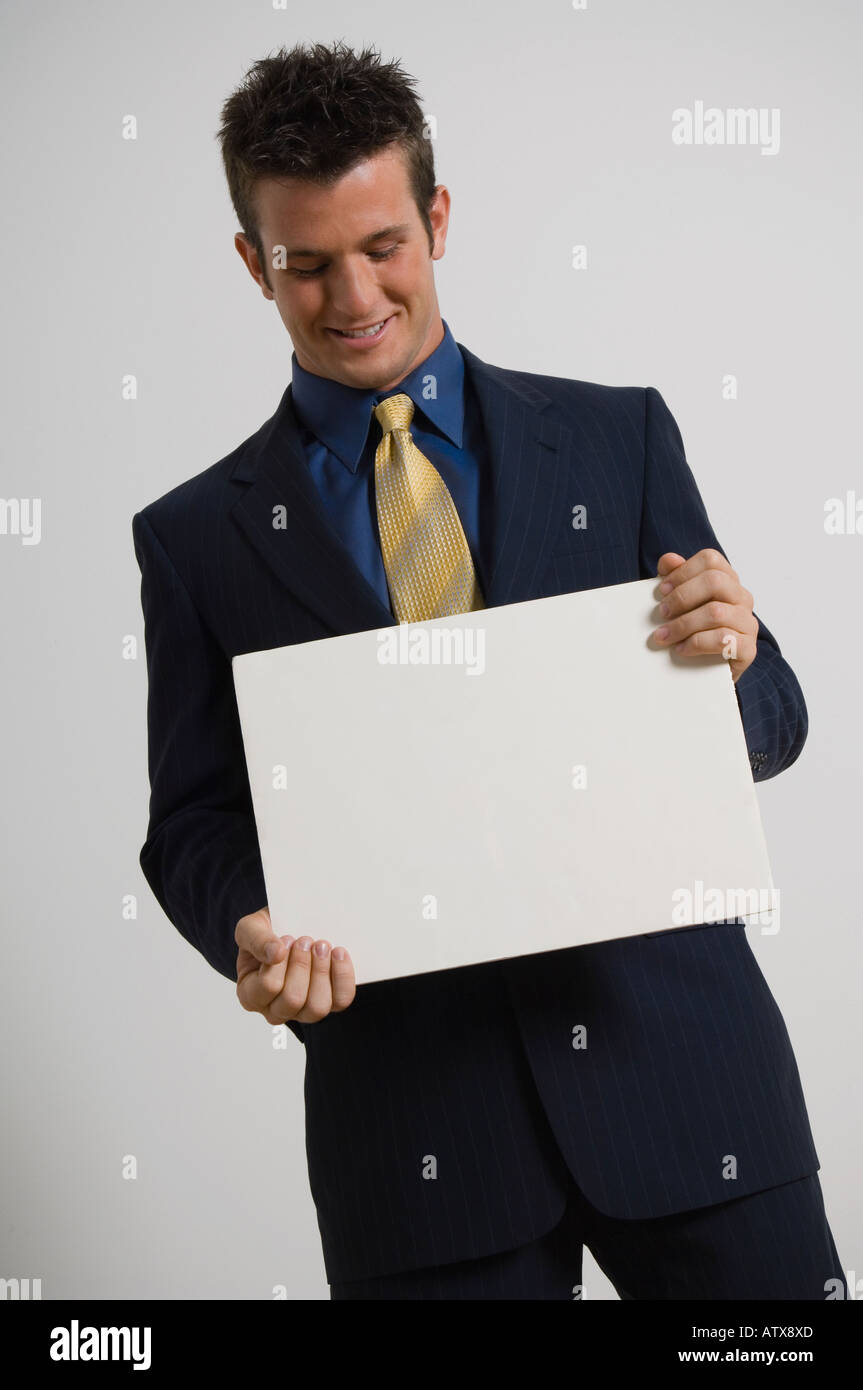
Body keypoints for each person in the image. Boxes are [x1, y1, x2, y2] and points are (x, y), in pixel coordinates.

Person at [132, 40, 842, 1300]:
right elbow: (189, 820)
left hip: (688, 1081)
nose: (353, 294)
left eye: (383, 245)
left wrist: (733, 655)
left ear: (437, 218)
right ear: (254, 264)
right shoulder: (194, 537)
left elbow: (773, 719)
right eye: (306, 263)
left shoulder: (618, 438)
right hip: (413, 1134)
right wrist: (248, 915)